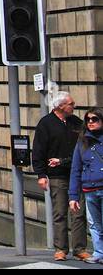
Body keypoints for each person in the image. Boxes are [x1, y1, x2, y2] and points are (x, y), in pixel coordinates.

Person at [32, 90, 88, 261]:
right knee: (60, 212)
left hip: (76, 174)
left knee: (78, 213)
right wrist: (41, 174)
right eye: (71, 104)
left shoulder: (76, 122)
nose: (74, 106)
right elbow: (38, 150)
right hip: (57, 175)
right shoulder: (46, 124)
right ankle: (61, 249)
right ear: (61, 106)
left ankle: (79, 249)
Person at [68, 108, 103, 264]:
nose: (90, 122)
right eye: (88, 119)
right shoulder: (83, 141)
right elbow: (75, 169)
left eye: (94, 119)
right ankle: (99, 252)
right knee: (94, 224)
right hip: (89, 190)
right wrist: (73, 196)